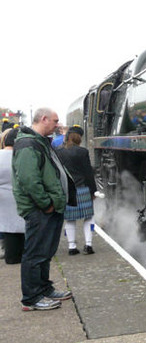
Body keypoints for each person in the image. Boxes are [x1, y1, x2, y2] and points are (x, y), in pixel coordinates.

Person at [12, 108, 75, 311]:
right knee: (35, 253)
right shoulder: (28, 144)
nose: (57, 125)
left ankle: (44, 288)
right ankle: (31, 297)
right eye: (55, 121)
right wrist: (46, 204)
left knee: (46, 252)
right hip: (40, 209)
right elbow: (29, 180)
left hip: (50, 207)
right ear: (44, 119)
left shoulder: (39, 142)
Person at [56, 125, 96, 255]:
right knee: (88, 217)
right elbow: (88, 173)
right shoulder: (82, 152)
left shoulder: (58, 151)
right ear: (79, 138)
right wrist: (93, 191)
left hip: (68, 190)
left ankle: (72, 247)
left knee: (70, 219)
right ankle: (88, 245)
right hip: (82, 188)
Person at [0, 127, 26, 264]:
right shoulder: (23, 157)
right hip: (21, 196)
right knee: (21, 226)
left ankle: (10, 256)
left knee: (8, 228)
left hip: (3, 198)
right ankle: (21, 254)